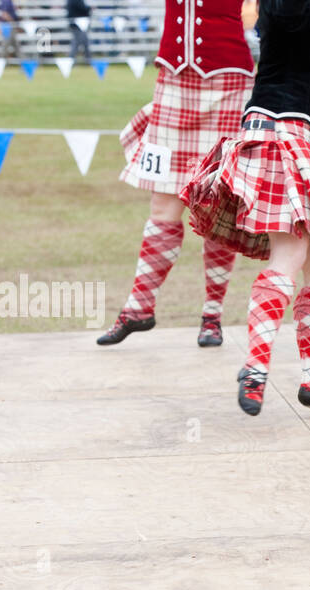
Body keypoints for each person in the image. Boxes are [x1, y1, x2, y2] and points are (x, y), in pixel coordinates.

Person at [181, 0, 310, 416]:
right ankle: (256, 369)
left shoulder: (299, 10)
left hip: (282, 133)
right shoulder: (292, 6)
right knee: (290, 254)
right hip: (283, 135)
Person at [97, 0, 254, 350]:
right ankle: (139, 307)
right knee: (162, 204)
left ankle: (212, 315)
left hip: (229, 81)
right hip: (174, 81)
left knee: (217, 203)